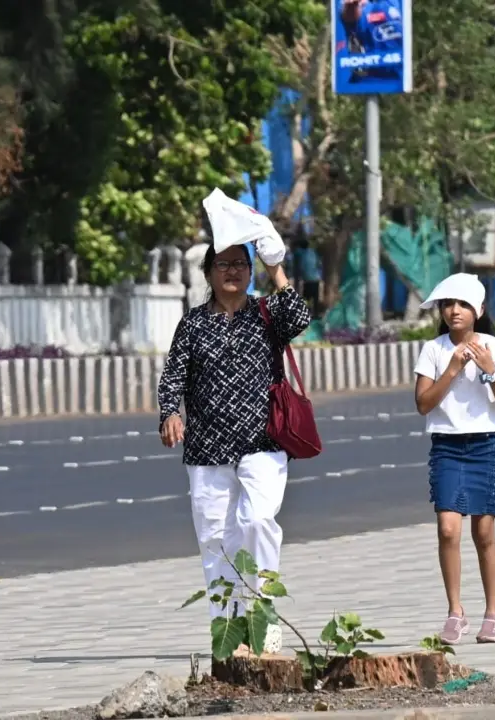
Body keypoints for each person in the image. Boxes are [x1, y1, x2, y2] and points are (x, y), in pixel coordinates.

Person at [157, 218, 311, 653]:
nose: (232, 271)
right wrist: (170, 412)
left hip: (263, 442)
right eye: (222, 264)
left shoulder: (266, 314)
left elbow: (299, 316)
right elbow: (173, 377)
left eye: (240, 264)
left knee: (258, 521)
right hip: (206, 448)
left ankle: (263, 614)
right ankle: (228, 630)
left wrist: (274, 264)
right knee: (215, 539)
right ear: (208, 273)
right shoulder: (192, 325)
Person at [412, 273, 495, 645]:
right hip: (446, 447)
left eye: (462, 305)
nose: (453, 311)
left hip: (483, 445)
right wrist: (453, 369)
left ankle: (494, 612)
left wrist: (489, 369)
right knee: (447, 529)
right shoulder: (435, 350)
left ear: (479, 310)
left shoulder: (493, 347)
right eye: (447, 305)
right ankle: (455, 611)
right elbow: (423, 403)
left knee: (484, 531)